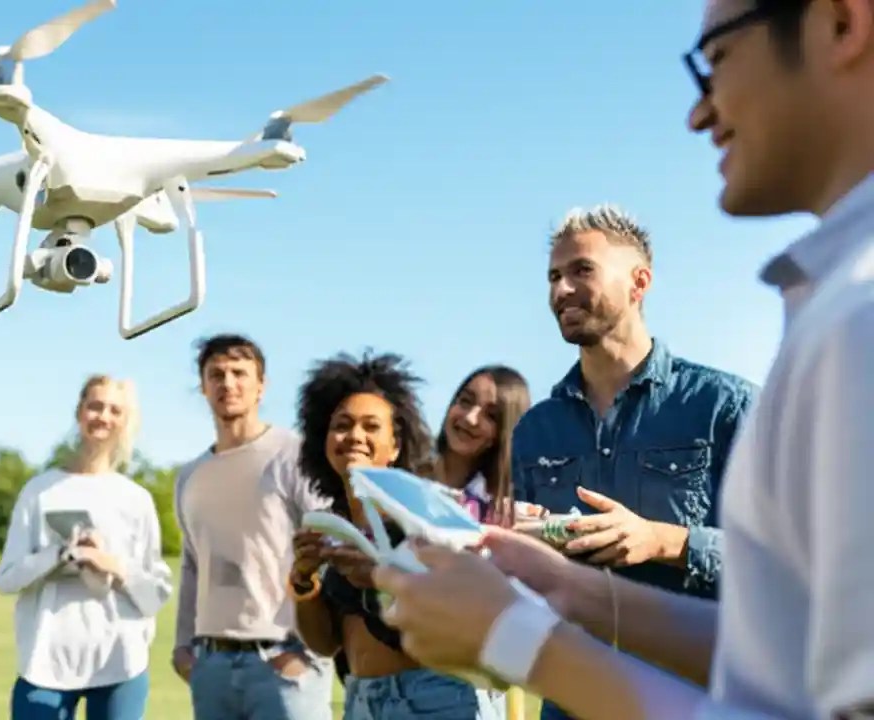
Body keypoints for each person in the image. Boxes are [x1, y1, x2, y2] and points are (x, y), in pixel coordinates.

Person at [370, 0, 874, 717]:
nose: (698, 114)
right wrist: (558, 584)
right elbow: (791, 656)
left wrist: (520, 637)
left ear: (841, 24)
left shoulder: (826, 336)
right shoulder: (536, 426)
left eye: (718, 59)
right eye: (552, 276)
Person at [514, 202, 756, 720]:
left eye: (582, 271)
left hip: (691, 699)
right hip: (570, 700)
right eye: (554, 276)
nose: (561, 291)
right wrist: (521, 542)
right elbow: (525, 581)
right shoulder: (534, 431)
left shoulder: (723, 407)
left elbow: (784, 558)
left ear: (639, 282)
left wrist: (661, 540)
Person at [289, 349, 505, 720]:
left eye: (371, 426)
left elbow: (448, 627)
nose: (354, 436)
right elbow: (326, 644)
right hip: (362, 700)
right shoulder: (331, 525)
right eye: (341, 424)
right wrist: (303, 579)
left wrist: (375, 577)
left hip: (437, 696)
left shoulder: (421, 512)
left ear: (396, 447)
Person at [171, 333, 335, 720]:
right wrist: (183, 649)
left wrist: (307, 654)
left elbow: (328, 548)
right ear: (204, 387)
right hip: (211, 666)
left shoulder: (295, 456)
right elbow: (193, 565)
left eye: (239, 373)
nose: (228, 383)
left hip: (285, 662)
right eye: (217, 374)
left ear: (261, 385)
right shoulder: (191, 476)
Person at [0, 374, 172, 720]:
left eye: (114, 410)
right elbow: (6, 579)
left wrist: (111, 564)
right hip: (45, 662)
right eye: (95, 406)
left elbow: (155, 594)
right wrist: (60, 555)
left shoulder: (136, 499)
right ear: (79, 412)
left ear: (125, 421)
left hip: (120, 660)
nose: (103, 416)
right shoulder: (40, 491)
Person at [433, 365, 532, 526]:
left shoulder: (502, 516)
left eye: (490, 416)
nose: (470, 419)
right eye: (466, 401)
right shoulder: (405, 474)